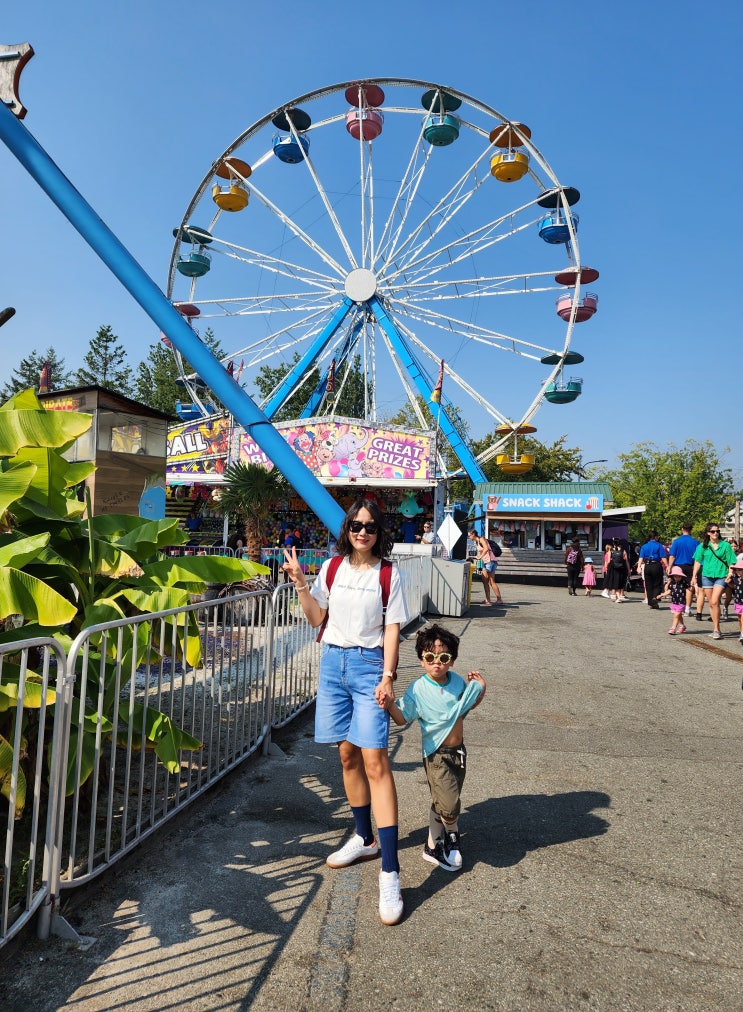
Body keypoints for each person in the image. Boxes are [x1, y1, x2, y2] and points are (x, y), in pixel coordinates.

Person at [282, 498, 408, 925]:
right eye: (356, 525)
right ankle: (363, 836)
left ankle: (390, 871)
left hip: (369, 665)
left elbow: (392, 628)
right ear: (347, 529)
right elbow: (318, 617)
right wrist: (301, 583)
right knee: (346, 754)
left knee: (376, 760)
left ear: (379, 532)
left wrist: (389, 675)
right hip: (332, 663)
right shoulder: (333, 569)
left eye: (370, 527)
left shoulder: (389, 574)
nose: (362, 532)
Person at [381, 623, 485, 872]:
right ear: (421, 660)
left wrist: (480, 689)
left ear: (451, 660)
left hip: (458, 753)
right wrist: (389, 704)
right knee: (449, 807)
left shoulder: (458, 683)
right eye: (429, 657)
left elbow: (465, 707)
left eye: (443, 657)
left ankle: (432, 845)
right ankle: (452, 837)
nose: (436, 662)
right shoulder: (418, 688)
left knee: (443, 799)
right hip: (436, 755)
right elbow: (402, 718)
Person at [691, 524, 737, 640]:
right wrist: (693, 576)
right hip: (707, 575)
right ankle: (716, 628)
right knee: (711, 603)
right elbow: (697, 561)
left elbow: (732, 561)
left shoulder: (725, 545)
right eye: (713, 531)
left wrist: (730, 573)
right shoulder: (703, 546)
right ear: (708, 533)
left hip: (721, 576)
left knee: (715, 600)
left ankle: (716, 629)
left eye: (717, 531)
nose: (715, 533)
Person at [666, 523, 699, 617]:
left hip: (678, 567)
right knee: (689, 587)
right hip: (690, 566)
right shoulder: (695, 542)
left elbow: (672, 556)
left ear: (682, 529)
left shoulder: (676, 541)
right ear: (691, 530)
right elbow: (698, 557)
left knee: (676, 586)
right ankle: (687, 609)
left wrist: (669, 566)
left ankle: (675, 606)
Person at [468, 529, 503, 606]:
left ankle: (493, 599)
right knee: (489, 581)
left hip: (489, 562)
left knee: (488, 581)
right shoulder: (477, 541)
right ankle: (494, 599)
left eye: (469, 535)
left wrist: (480, 556)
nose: (469, 537)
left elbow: (486, 548)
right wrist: (478, 557)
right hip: (488, 562)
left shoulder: (481, 539)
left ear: (473, 534)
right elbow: (483, 550)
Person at [638, 531, 668, 609]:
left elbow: (641, 557)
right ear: (655, 537)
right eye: (658, 536)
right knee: (657, 584)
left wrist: (638, 567)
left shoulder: (644, 546)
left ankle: (651, 603)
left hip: (647, 566)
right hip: (656, 565)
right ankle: (655, 597)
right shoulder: (659, 545)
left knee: (648, 585)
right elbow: (663, 557)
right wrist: (668, 566)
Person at [657, 566, 689, 635]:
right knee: (678, 615)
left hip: (681, 602)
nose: (677, 578)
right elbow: (669, 591)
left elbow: (690, 589)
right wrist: (662, 595)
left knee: (676, 615)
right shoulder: (672, 583)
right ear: (673, 576)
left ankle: (673, 628)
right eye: (675, 576)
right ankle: (682, 625)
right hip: (674, 601)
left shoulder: (684, 582)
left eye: (679, 576)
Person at [724, 557, 743, 646]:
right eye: (737, 570)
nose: (738, 572)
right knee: (739, 619)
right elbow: (734, 587)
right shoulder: (735, 578)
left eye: (740, 570)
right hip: (737, 600)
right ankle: (741, 632)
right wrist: (728, 583)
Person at [605, 538, 630, 603]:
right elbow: (627, 561)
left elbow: (608, 561)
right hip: (621, 568)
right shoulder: (623, 551)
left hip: (613, 568)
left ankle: (618, 598)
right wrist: (629, 570)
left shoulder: (611, 551)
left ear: (613, 544)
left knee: (614, 583)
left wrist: (606, 567)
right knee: (619, 583)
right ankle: (618, 597)